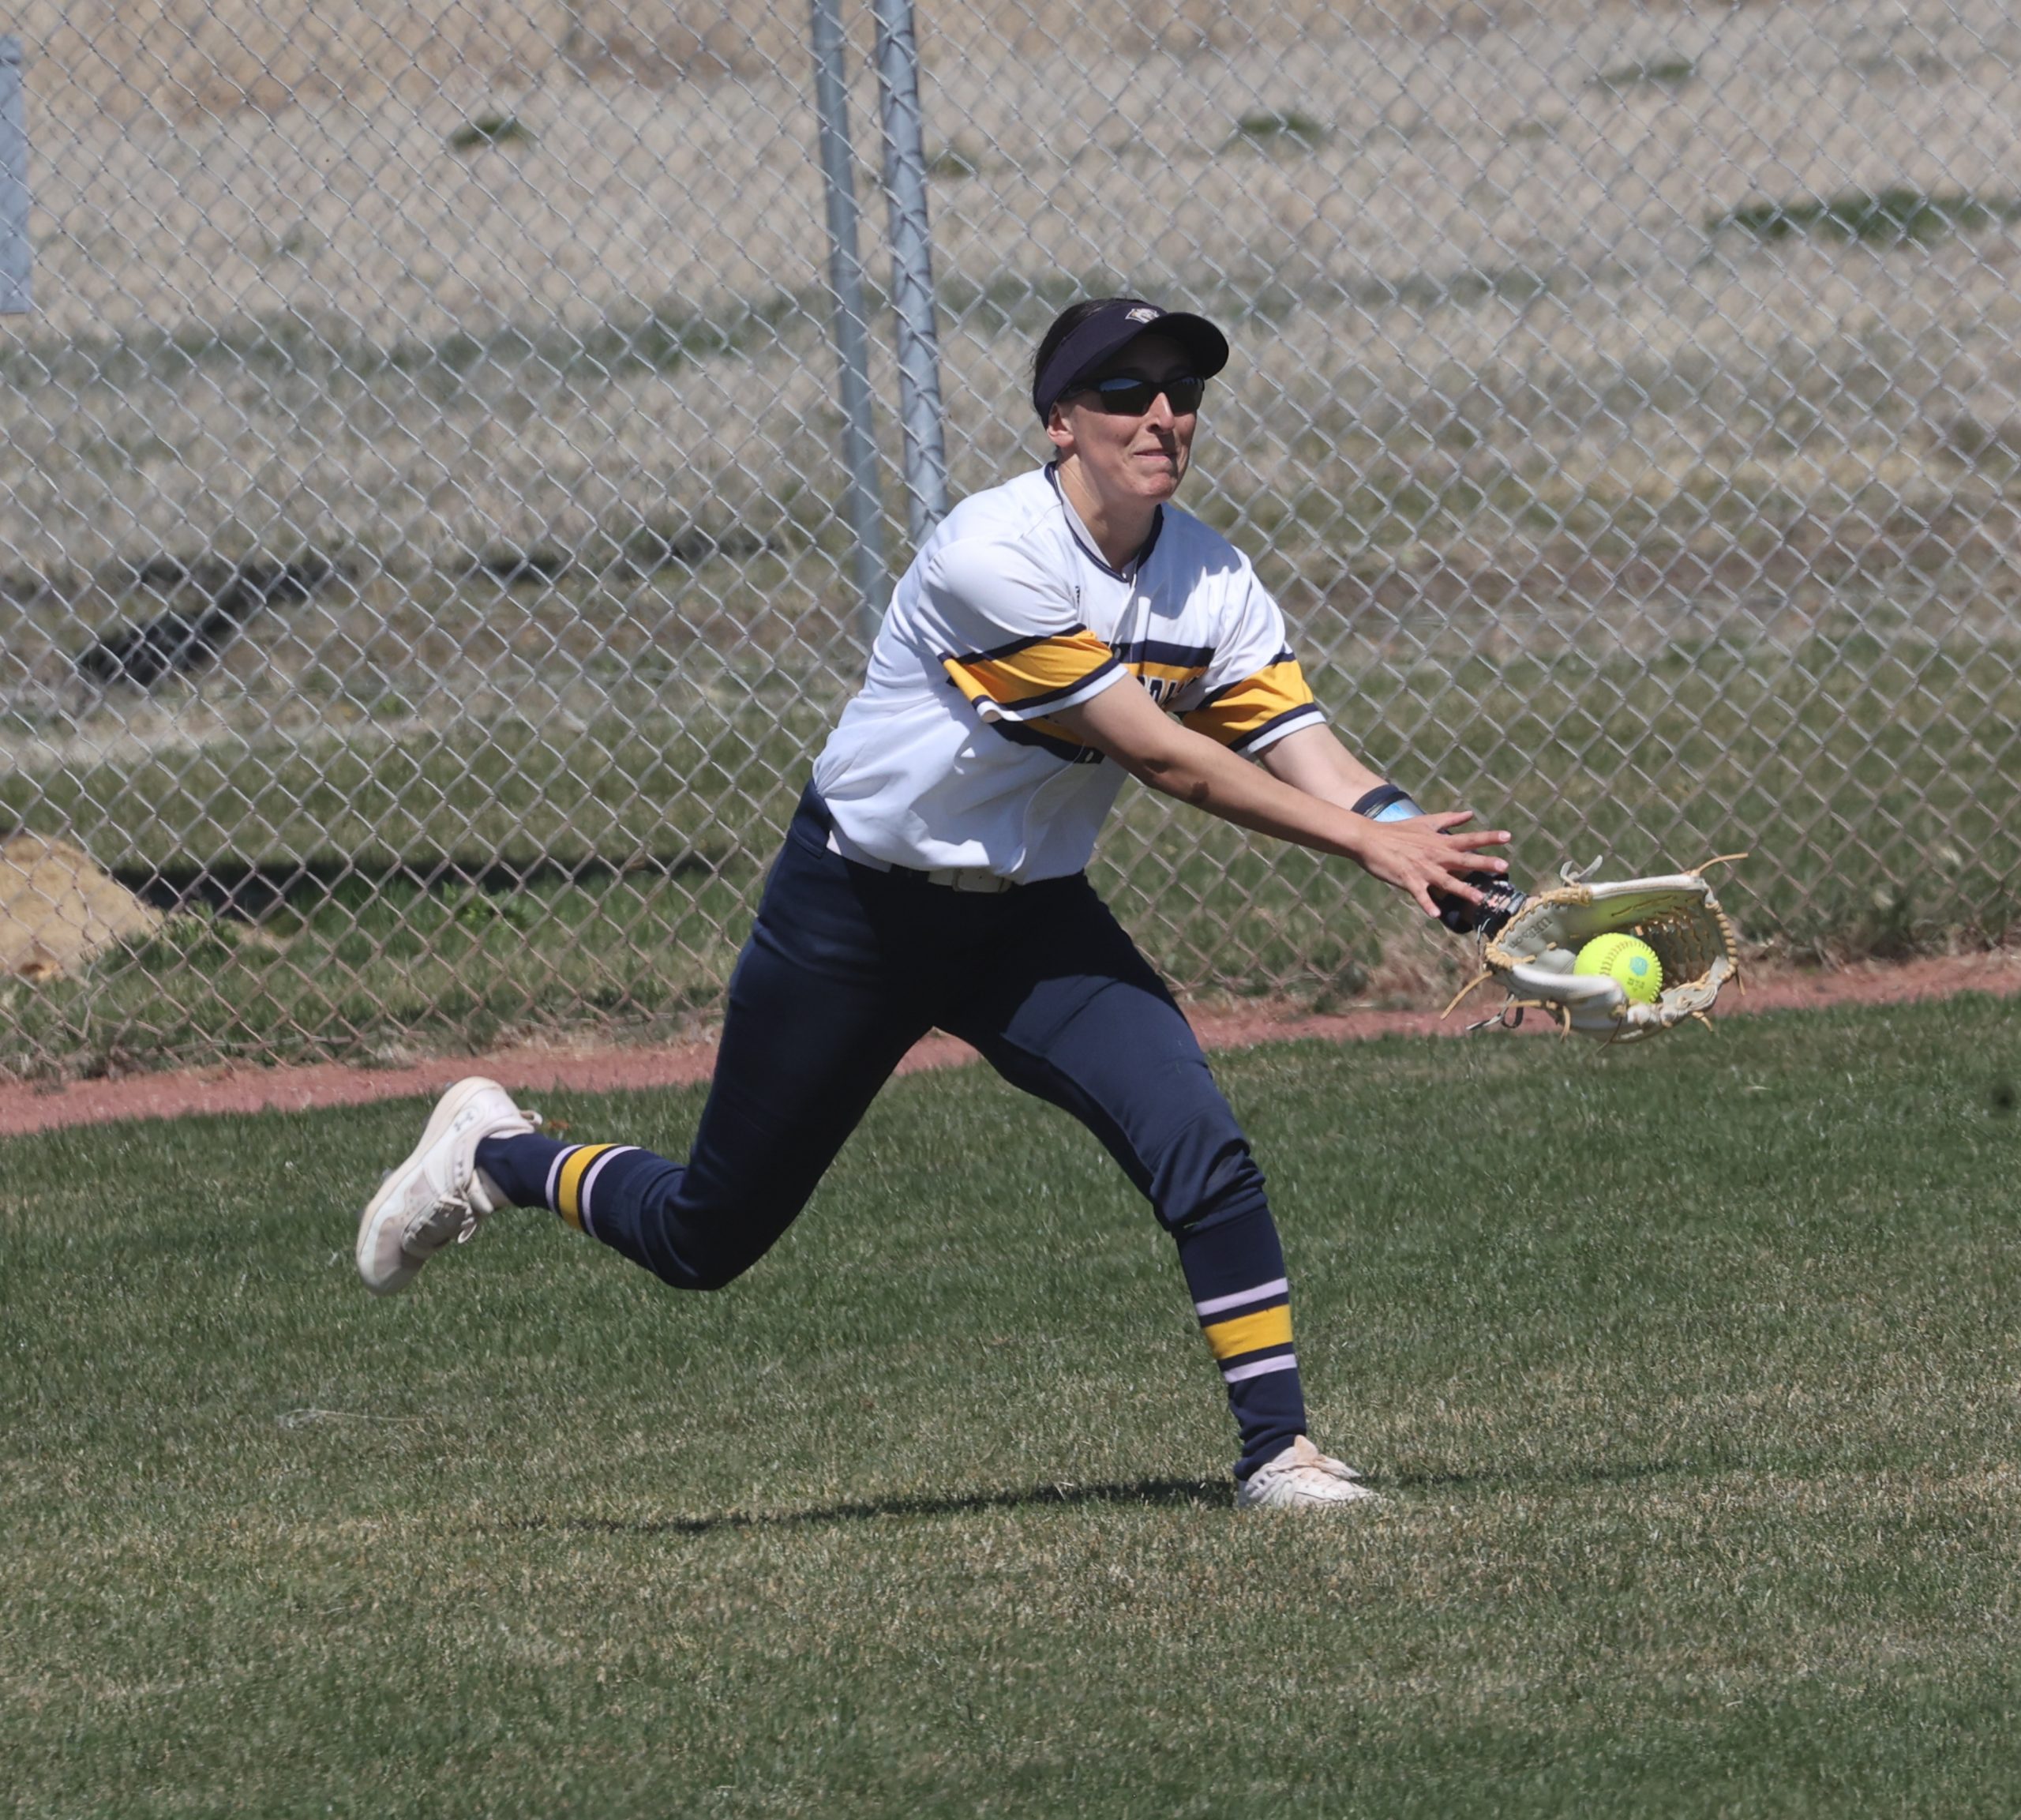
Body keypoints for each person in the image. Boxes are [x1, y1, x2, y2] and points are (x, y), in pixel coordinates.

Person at [356, 297, 1509, 1510]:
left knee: (1199, 1141)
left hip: (1030, 925)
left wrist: (1493, 904)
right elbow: (1167, 760)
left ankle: (1280, 1451)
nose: (1162, 413)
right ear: (1058, 421)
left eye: (1184, 390)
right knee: (706, 1234)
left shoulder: (1210, 577)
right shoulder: (992, 553)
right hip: (856, 909)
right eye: (1125, 390)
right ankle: (495, 1151)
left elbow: (1317, 760)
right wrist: (1369, 851)